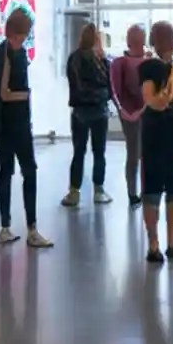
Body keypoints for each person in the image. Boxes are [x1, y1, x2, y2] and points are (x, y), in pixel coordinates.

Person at [0, 10, 53, 248]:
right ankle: (7, 226)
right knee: (9, 172)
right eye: (23, 34)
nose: (24, 38)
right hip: (8, 124)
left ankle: (29, 227)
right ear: (14, 32)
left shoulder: (18, 53)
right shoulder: (2, 56)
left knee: (27, 172)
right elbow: (0, 93)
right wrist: (24, 95)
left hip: (20, 122)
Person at [139, 21, 173, 264]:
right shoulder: (148, 67)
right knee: (153, 189)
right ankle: (154, 245)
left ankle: (172, 243)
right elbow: (152, 101)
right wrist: (166, 94)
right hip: (156, 130)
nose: (169, 42)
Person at [62, 23, 113, 207]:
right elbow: (110, 85)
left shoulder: (73, 58)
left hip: (80, 112)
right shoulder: (101, 61)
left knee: (78, 152)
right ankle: (98, 190)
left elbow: (74, 85)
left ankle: (74, 192)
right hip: (99, 111)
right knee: (99, 152)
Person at [110, 24, 148, 207]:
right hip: (129, 115)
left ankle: (145, 190)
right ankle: (133, 193)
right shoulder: (119, 63)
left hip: (147, 113)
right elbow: (115, 91)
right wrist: (124, 112)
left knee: (146, 154)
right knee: (133, 153)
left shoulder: (149, 60)